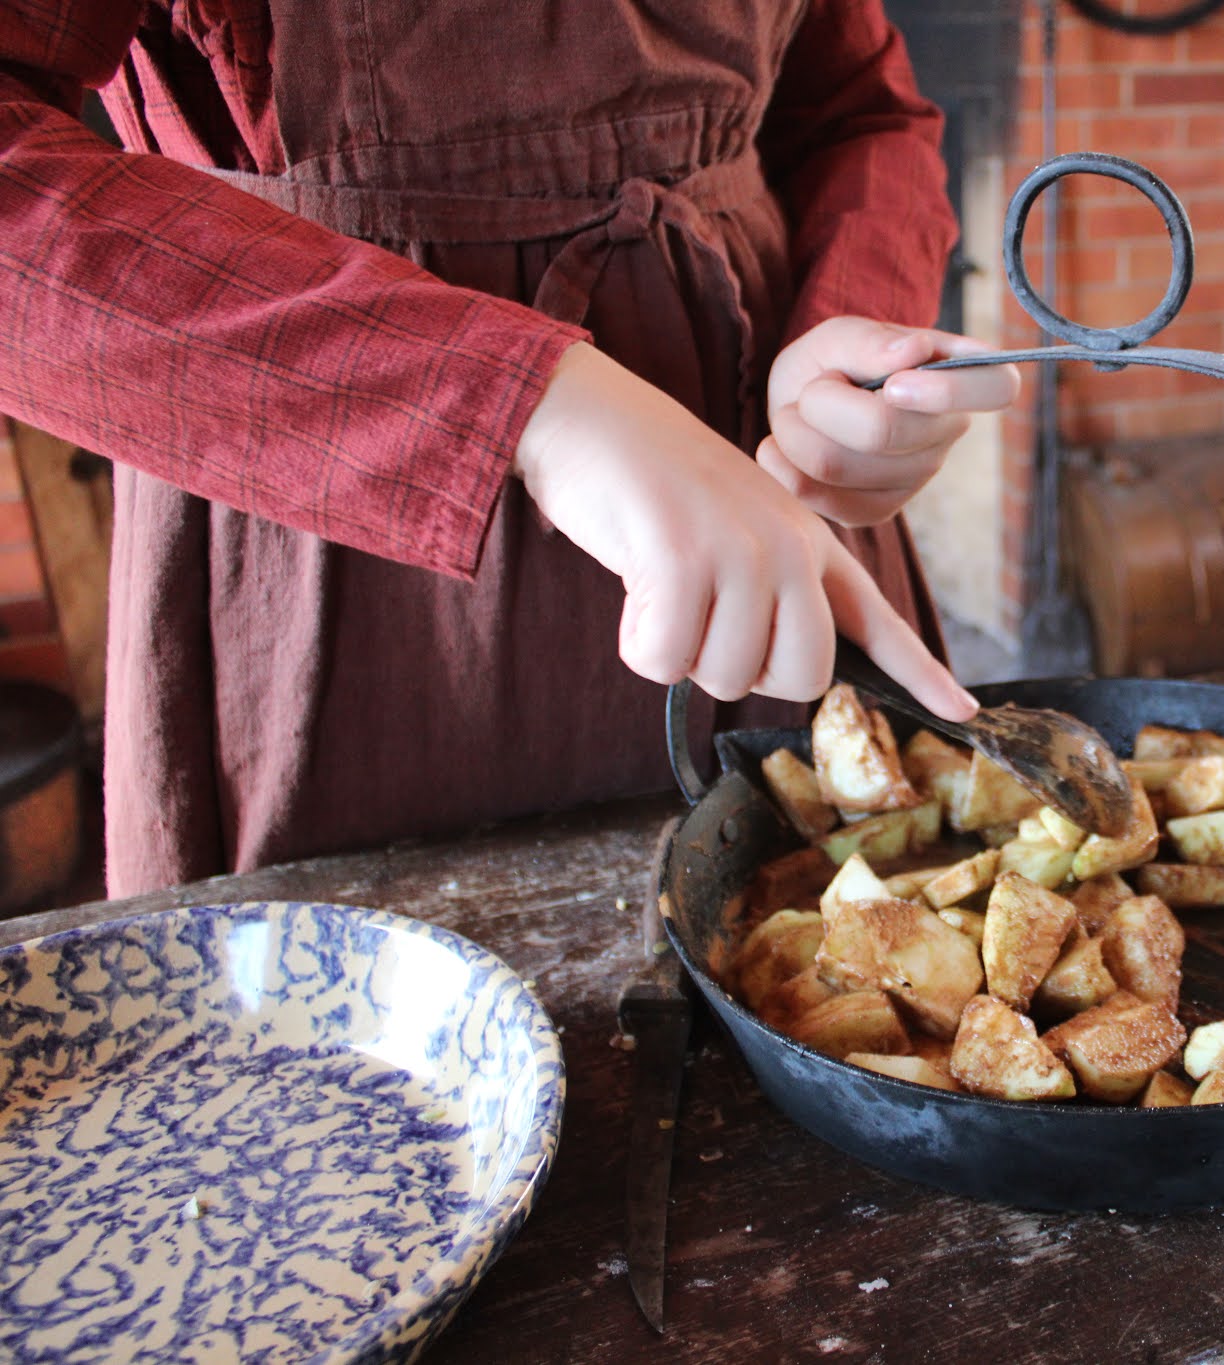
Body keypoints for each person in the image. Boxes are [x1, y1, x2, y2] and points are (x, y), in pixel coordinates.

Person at [0, 0, 1019, 896]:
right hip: (344, 557)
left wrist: (849, 336)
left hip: (766, 517)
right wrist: (516, 403)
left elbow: (858, 109)